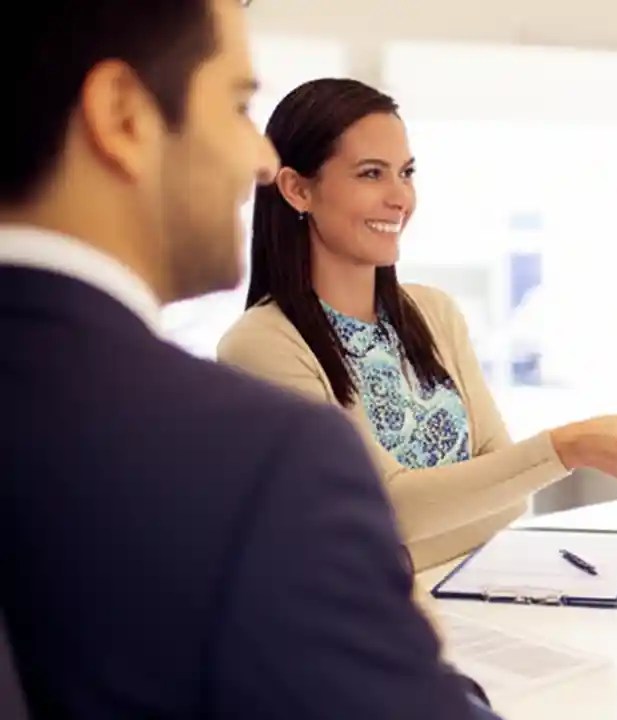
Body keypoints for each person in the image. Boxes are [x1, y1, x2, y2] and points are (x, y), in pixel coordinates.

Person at [1, 1, 507, 717]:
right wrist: (413, 638)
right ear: (122, 116)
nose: (262, 160)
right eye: (239, 106)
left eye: (405, 171)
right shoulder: (264, 454)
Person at [216, 77, 617, 570]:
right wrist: (564, 449)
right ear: (297, 189)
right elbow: (388, 508)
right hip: (360, 612)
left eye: (406, 173)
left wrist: (399, 550)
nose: (400, 197)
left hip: (469, 597)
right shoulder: (261, 345)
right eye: (371, 173)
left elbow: (510, 499)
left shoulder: (434, 313)